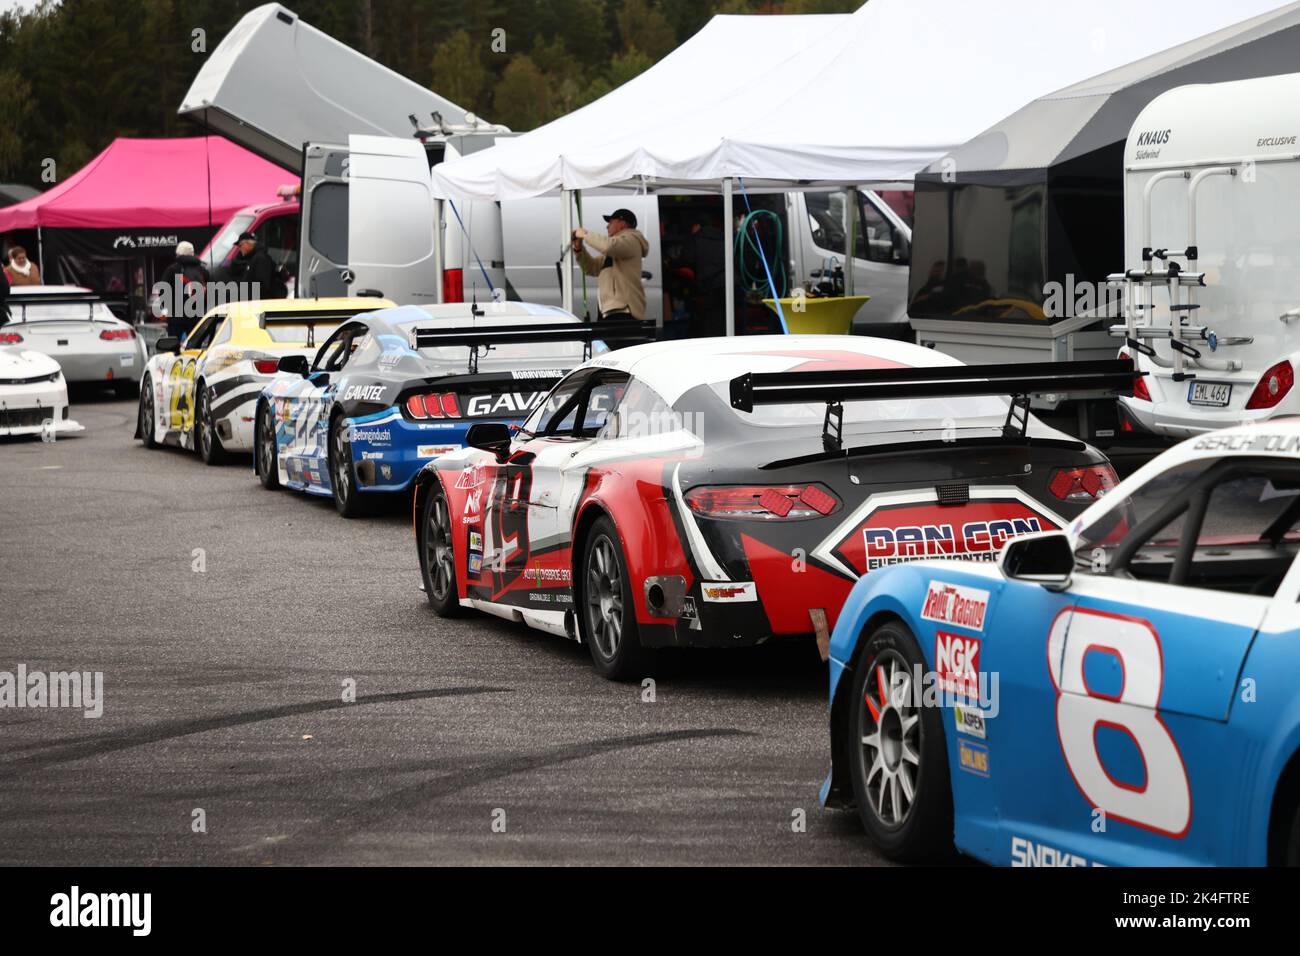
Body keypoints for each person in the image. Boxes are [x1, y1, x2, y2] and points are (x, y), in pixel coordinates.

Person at [572, 208, 649, 321]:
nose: (607, 226)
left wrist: (586, 234)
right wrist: (578, 249)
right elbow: (590, 267)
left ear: (622, 224)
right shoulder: (617, 249)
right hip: (612, 311)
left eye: (611, 222)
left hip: (623, 312)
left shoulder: (631, 240)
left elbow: (608, 246)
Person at [157, 241, 210, 339]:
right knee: (194, 345)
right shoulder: (202, 270)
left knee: (174, 346)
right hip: (196, 315)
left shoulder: (172, 270)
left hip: (176, 317)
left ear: (178, 254)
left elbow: (163, 290)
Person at [228, 232, 285, 300]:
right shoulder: (252, 258)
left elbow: (262, 286)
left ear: (249, 243)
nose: (240, 249)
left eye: (241, 245)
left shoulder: (261, 259)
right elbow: (234, 271)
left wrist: (247, 298)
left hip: (260, 302)